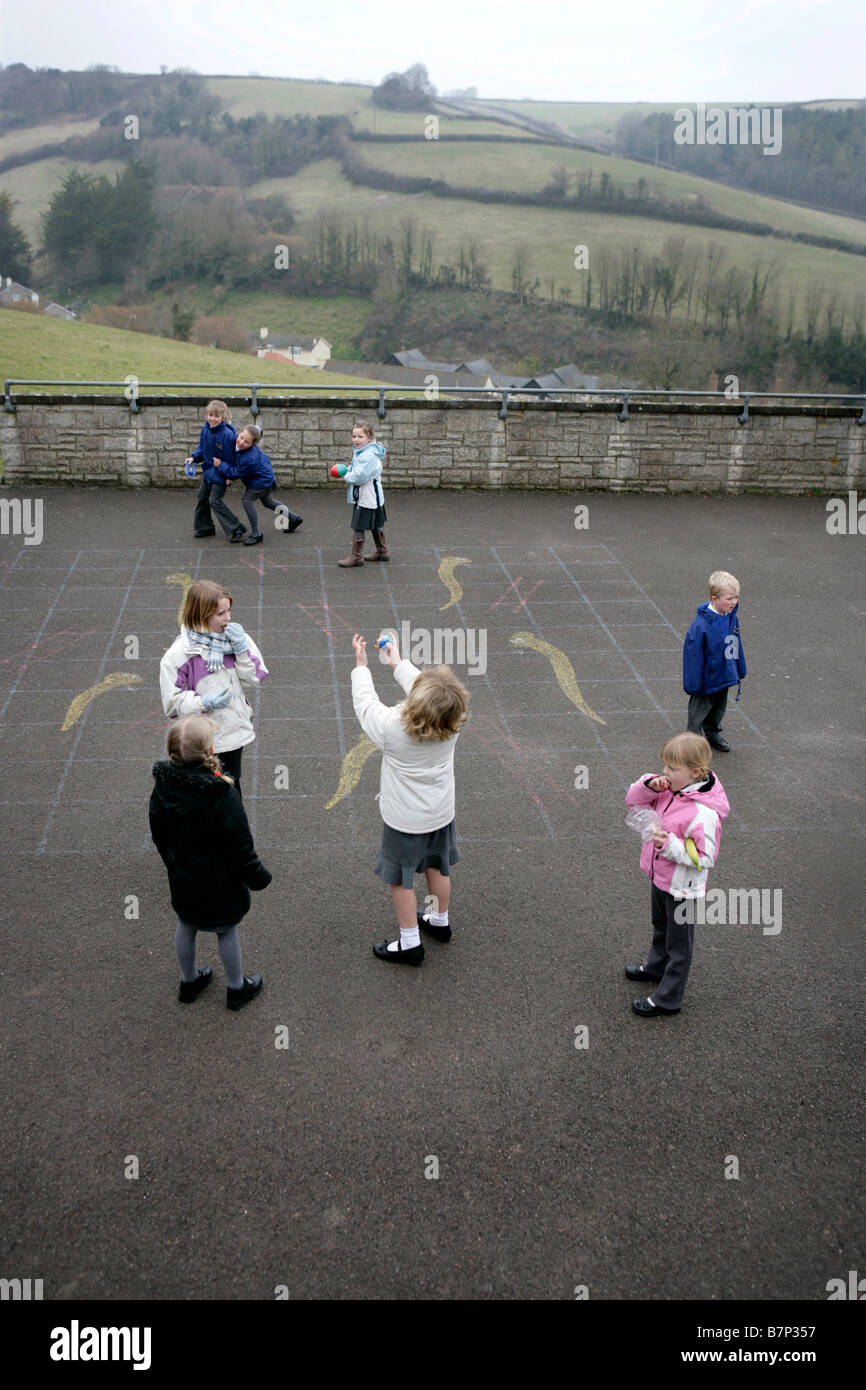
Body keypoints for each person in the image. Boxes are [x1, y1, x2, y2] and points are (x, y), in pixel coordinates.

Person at [350, 631, 468, 965]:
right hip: (440, 813)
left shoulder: (392, 728)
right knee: (437, 866)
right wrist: (398, 662)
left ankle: (410, 942)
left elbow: (365, 705)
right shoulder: (453, 722)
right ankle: (439, 920)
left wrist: (362, 665)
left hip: (403, 821)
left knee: (401, 880)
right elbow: (433, 694)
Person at [149, 714, 270, 1010]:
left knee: (186, 924)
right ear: (211, 751)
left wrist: (173, 862)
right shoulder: (222, 794)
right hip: (220, 881)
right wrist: (258, 877)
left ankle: (189, 981)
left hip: (183, 876)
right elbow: (241, 846)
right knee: (225, 929)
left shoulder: (162, 787)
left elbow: (158, 832)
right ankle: (236, 987)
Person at [624, 733, 729, 1016]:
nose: (665, 773)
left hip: (683, 888)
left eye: (672, 768)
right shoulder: (672, 789)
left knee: (679, 943)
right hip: (661, 877)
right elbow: (632, 800)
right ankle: (657, 966)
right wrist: (650, 785)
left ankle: (668, 997)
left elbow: (704, 857)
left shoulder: (703, 813)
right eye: (664, 766)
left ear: (695, 772)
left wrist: (668, 845)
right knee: (661, 926)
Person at [159, 579, 268, 793]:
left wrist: (242, 651)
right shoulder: (178, 655)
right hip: (201, 742)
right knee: (204, 792)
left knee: (231, 787)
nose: (228, 618)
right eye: (220, 613)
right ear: (201, 614)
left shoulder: (237, 640)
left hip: (233, 733)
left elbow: (254, 677)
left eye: (229, 611)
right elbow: (171, 703)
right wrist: (203, 702)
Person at [683, 570, 746, 752]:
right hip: (705, 679)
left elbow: (735, 643)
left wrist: (739, 667)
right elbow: (693, 656)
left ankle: (713, 733)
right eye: (729, 598)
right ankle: (692, 742)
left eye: (736, 597)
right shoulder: (701, 626)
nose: (733, 602)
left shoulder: (731, 618)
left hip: (724, 674)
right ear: (714, 599)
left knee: (718, 708)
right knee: (698, 712)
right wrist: (693, 683)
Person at [215, 424, 302, 546]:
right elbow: (231, 433)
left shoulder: (249, 458)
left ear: (253, 444)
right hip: (265, 478)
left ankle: (256, 534)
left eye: (246, 442)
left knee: (247, 501)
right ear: (239, 433)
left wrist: (220, 465)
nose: (241, 442)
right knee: (268, 502)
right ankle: (294, 518)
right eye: (241, 437)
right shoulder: (241, 444)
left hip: (260, 482)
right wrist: (223, 424)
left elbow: (237, 473)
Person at [185, 400, 245, 543]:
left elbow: (232, 460)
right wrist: (193, 458)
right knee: (202, 497)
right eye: (210, 415)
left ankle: (236, 527)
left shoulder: (228, 436)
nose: (212, 418)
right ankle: (205, 527)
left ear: (223, 418)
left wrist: (230, 477)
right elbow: (202, 449)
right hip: (208, 473)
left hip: (221, 475)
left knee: (214, 500)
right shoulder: (205, 430)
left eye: (216, 416)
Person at [336, 421, 388, 568]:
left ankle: (356, 557)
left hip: (367, 497)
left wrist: (345, 475)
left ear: (370, 438)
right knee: (376, 524)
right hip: (374, 496)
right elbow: (355, 467)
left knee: (358, 526)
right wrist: (348, 469)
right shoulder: (363, 451)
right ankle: (382, 551)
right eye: (354, 436)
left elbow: (359, 478)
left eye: (360, 436)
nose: (356, 439)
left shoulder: (368, 455)